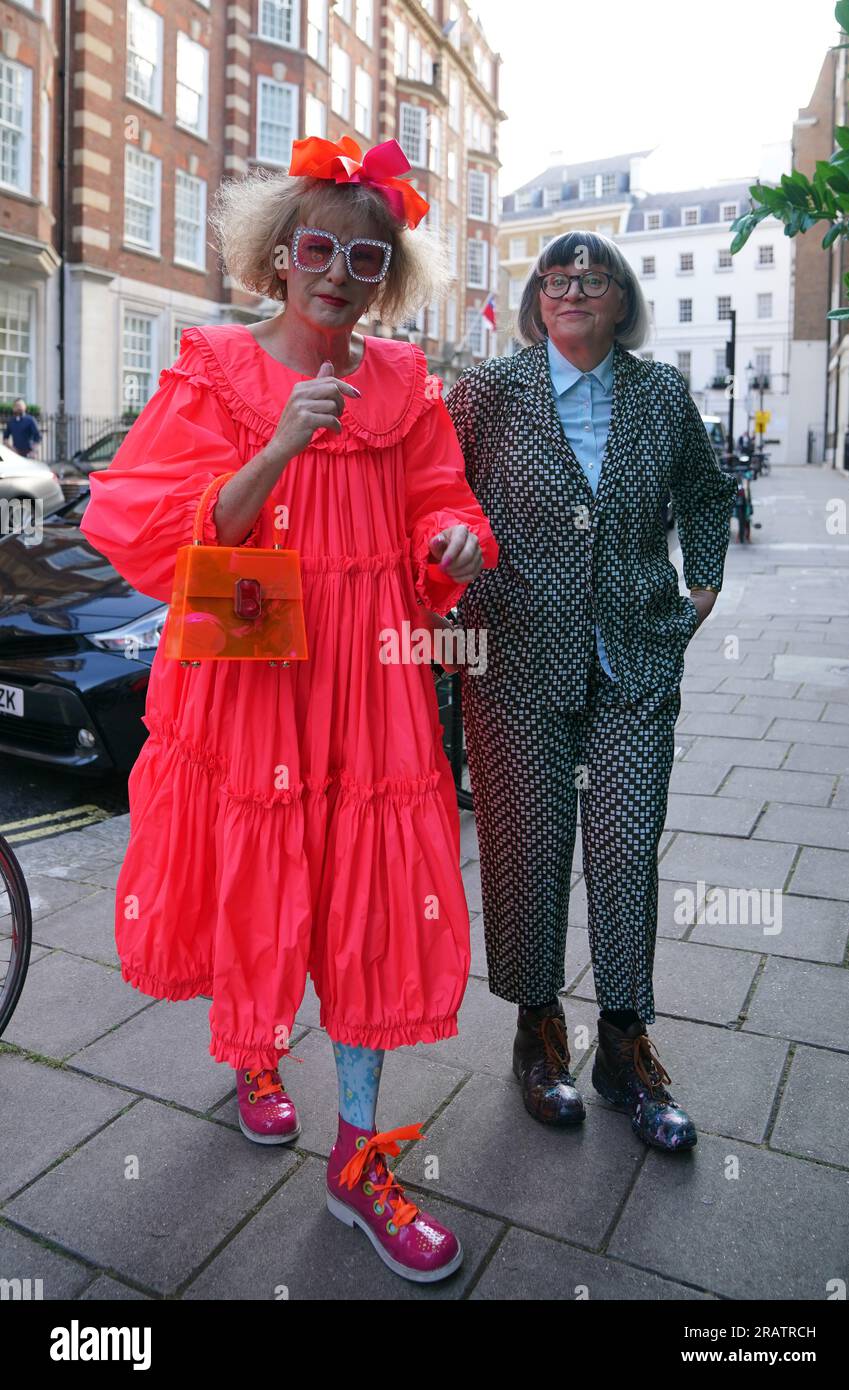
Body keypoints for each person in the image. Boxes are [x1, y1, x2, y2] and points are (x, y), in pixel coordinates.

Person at [79, 134, 498, 1282]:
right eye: (315, 248)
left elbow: (436, 504)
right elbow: (150, 526)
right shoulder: (215, 363)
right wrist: (278, 444)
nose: (336, 272)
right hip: (256, 661)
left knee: (364, 892)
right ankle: (255, 1052)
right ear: (275, 259)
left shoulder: (406, 383)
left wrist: (451, 539)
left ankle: (359, 1158)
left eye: (364, 258)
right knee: (256, 875)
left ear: (383, 278)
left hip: (368, 676)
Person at [445, 230, 738, 1153]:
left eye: (593, 278)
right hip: (513, 659)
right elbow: (427, 490)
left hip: (633, 666)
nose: (572, 289)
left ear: (621, 299)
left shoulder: (658, 396)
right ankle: (538, 1036)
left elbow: (703, 488)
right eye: (556, 278)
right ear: (537, 298)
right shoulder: (491, 392)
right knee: (525, 850)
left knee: (623, 847)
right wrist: (442, 578)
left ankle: (624, 1045)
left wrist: (703, 584)